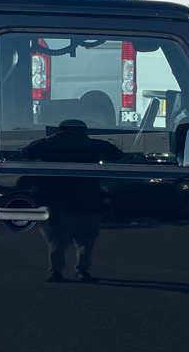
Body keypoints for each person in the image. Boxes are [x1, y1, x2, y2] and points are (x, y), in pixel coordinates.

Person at [22, 119, 122, 282]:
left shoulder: (87, 146)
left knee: (83, 240)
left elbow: (116, 155)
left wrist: (86, 143)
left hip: (83, 201)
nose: (71, 136)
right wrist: (50, 140)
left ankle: (72, 271)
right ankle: (61, 271)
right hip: (63, 201)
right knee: (59, 240)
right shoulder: (51, 145)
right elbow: (26, 153)